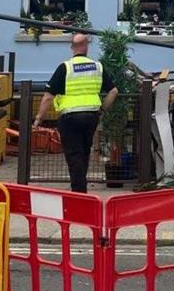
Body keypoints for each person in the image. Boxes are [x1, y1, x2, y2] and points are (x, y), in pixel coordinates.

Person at [34, 33, 118, 192]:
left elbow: (47, 97)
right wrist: (102, 110)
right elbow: (113, 91)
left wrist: (38, 118)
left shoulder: (65, 68)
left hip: (70, 118)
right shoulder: (97, 67)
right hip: (91, 116)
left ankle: (79, 193)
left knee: (74, 155)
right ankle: (81, 187)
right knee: (84, 152)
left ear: (72, 48)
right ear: (86, 47)